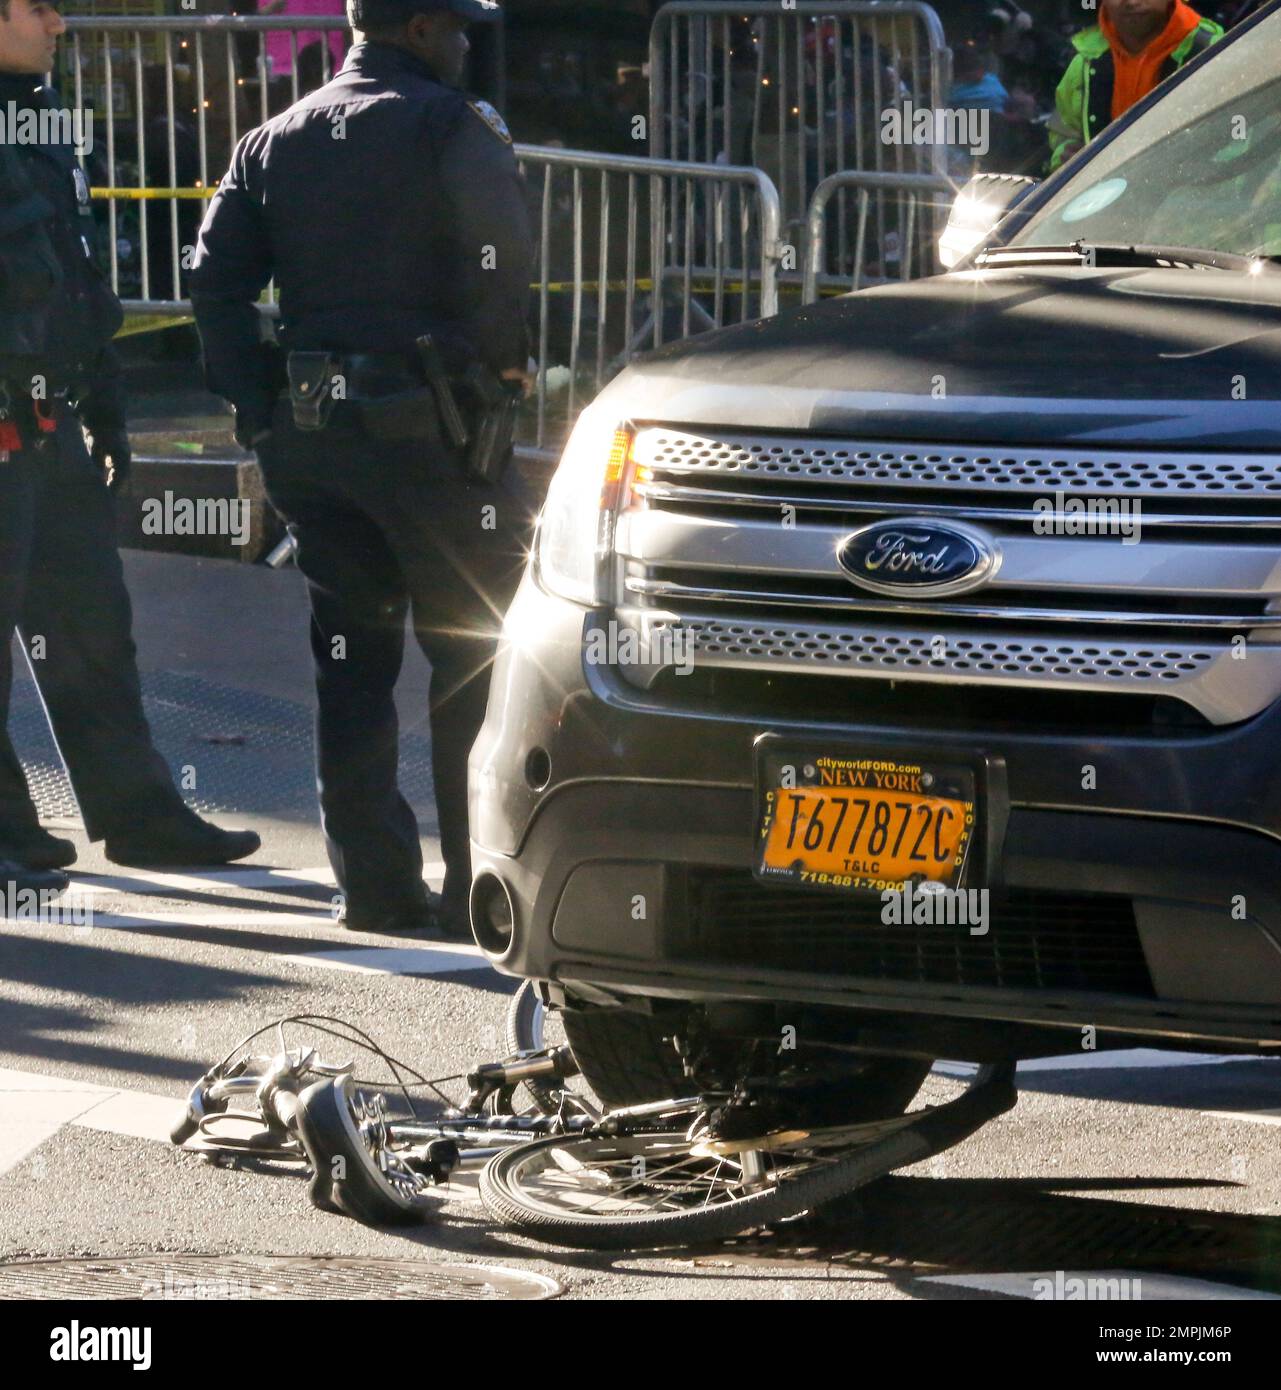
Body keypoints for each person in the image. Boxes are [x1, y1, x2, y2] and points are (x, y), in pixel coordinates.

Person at [190, 0, 534, 937]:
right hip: (437, 441)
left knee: (349, 663)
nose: (468, 45)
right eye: (459, 29)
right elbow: (499, 266)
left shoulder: (272, 138)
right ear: (420, 30)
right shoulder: (450, 124)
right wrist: (506, 372)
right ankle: (477, 888)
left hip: (316, 442)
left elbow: (213, 285)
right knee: (472, 659)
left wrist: (258, 410)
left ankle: (374, 889)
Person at [0, 0, 262, 872]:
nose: (59, 24)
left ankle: (141, 816)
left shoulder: (37, 116)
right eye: (38, 7)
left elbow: (70, 275)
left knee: (91, 626)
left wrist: (104, 401)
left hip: (49, 417)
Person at [1048, 0, 1223, 170]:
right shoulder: (1084, 63)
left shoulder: (1213, 52)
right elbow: (1062, 134)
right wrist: (1066, 156)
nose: (1131, 2)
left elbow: (1237, 144)